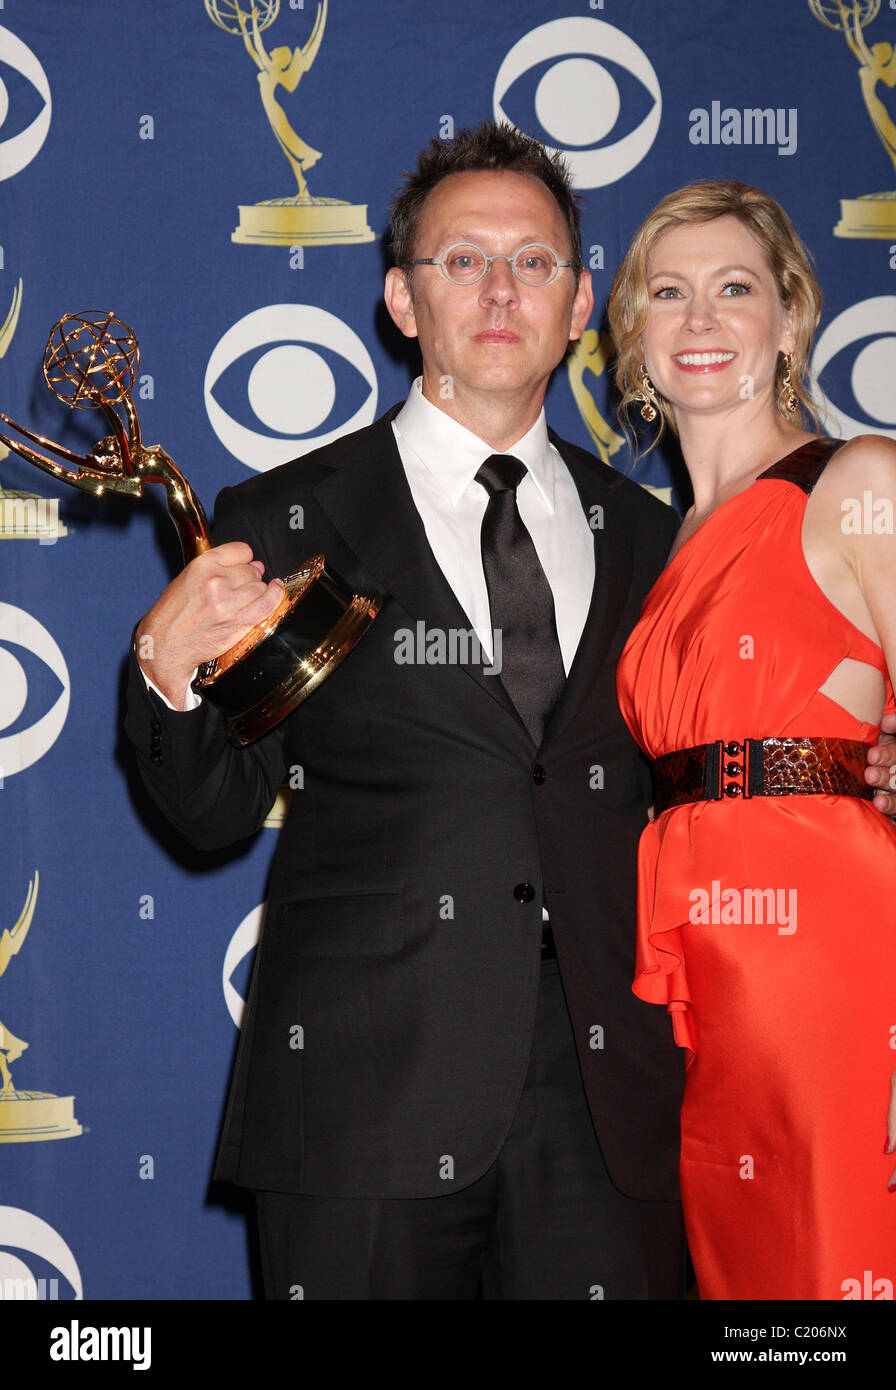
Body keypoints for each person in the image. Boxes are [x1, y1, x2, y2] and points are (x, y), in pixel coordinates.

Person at [125, 128, 896, 1300]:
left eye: (533, 262)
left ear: (583, 300)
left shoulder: (655, 540)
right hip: (361, 1111)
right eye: (460, 261)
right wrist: (165, 670)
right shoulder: (281, 522)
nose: (498, 290)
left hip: (617, 1113)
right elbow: (209, 813)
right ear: (400, 297)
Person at [610, 179, 896, 1300]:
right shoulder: (657, 540)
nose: (698, 320)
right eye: (665, 293)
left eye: (734, 289)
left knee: (835, 1259)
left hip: (833, 946)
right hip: (715, 967)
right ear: (629, 329)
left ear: (787, 318)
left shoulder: (856, 483)